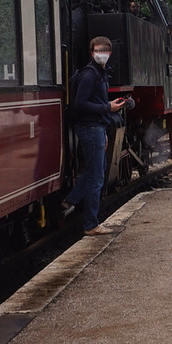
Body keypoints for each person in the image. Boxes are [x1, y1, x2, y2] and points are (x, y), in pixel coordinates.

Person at [69, 36, 127, 235]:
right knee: (96, 177)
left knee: (98, 170)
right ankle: (91, 224)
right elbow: (80, 103)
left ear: (110, 53)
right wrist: (108, 108)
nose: (101, 54)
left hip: (97, 127)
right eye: (98, 50)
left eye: (104, 51)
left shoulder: (101, 73)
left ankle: (71, 199)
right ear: (92, 52)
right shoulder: (89, 75)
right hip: (90, 127)